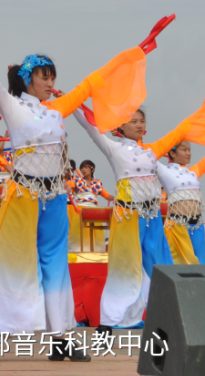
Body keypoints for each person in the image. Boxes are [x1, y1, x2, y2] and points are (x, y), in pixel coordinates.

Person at [0, 25, 149, 363]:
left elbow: (92, 81)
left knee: (56, 266)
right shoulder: (12, 106)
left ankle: (61, 338)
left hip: (54, 198)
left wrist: (135, 53)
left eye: (53, 77)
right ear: (28, 79)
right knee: (13, 263)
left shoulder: (57, 109)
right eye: (45, 77)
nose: (52, 83)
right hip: (23, 196)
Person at [74, 102, 205, 333]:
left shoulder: (152, 151)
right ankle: (108, 322)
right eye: (133, 121)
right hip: (128, 218)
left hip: (152, 217)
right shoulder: (114, 149)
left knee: (162, 267)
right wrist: (74, 103)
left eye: (141, 121)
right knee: (125, 269)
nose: (139, 125)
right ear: (121, 126)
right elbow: (91, 127)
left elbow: (182, 130)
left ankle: (172, 319)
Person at [161, 142, 204, 264]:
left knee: (201, 266)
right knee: (182, 266)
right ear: (172, 153)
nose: (188, 153)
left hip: (197, 225)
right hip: (178, 225)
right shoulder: (165, 171)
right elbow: (147, 156)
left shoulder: (192, 173)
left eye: (189, 150)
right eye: (184, 150)